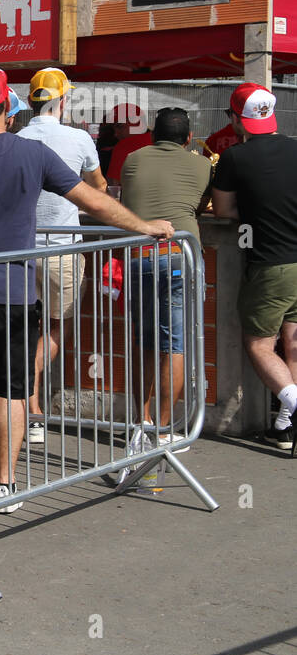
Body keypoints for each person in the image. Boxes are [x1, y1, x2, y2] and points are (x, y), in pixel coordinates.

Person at [0, 67, 173, 519]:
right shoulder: (33, 155)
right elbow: (93, 200)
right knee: (13, 389)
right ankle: (7, 483)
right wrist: (145, 226)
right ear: (8, 108)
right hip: (17, 291)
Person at [17, 67, 106, 444]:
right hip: (61, 250)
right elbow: (98, 188)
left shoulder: (15, 137)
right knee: (55, 326)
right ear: (62, 100)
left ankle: (29, 407)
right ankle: (30, 400)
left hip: (19, 250)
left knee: (25, 329)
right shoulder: (78, 138)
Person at [120, 107, 213, 450]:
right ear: (188, 138)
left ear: (151, 134)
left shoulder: (132, 158)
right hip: (180, 255)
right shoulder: (202, 164)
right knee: (174, 343)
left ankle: (140, 423)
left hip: (138, 256)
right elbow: (202, 204)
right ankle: (161, 431)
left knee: (143, 341)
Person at [211, 83, 297, 451]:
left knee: (260, 344)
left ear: (236, 119)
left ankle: (294, 405)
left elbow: (223, 211)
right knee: (294, 343)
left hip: (270, 264)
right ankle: (284, 426)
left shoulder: (234, 158)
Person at [103, 103, 152, 193]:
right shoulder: (160, 140)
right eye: (113, 129)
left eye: (119, 126)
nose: (116, 134)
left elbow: (113, 187)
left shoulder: (124, 146)